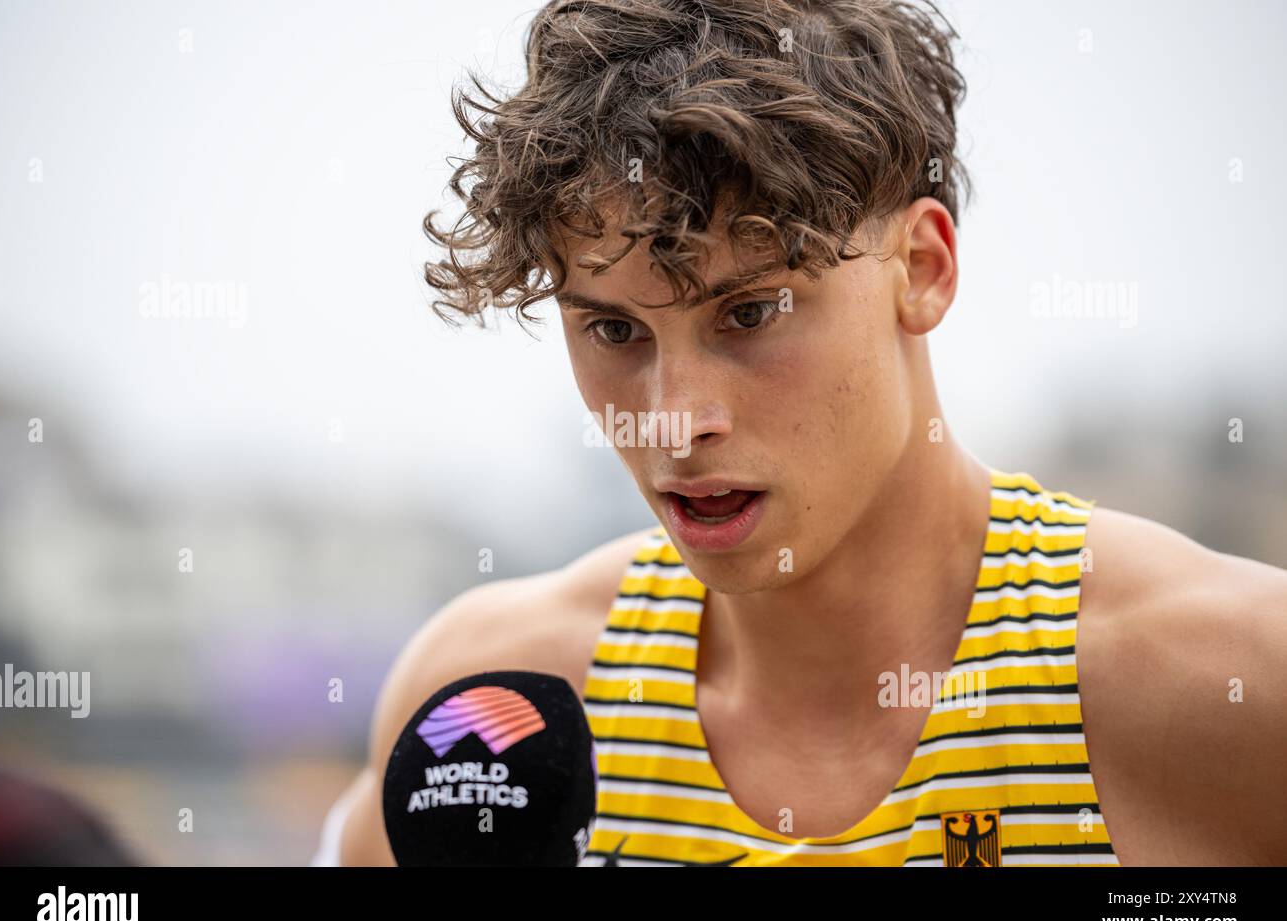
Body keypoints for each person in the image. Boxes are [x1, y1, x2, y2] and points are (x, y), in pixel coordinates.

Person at [323, 0, 1287, 866]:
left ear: (922, 265)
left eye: (748, 314)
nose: (672, 419)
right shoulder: (488, 714)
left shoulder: (1225, 684)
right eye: (614, 329)